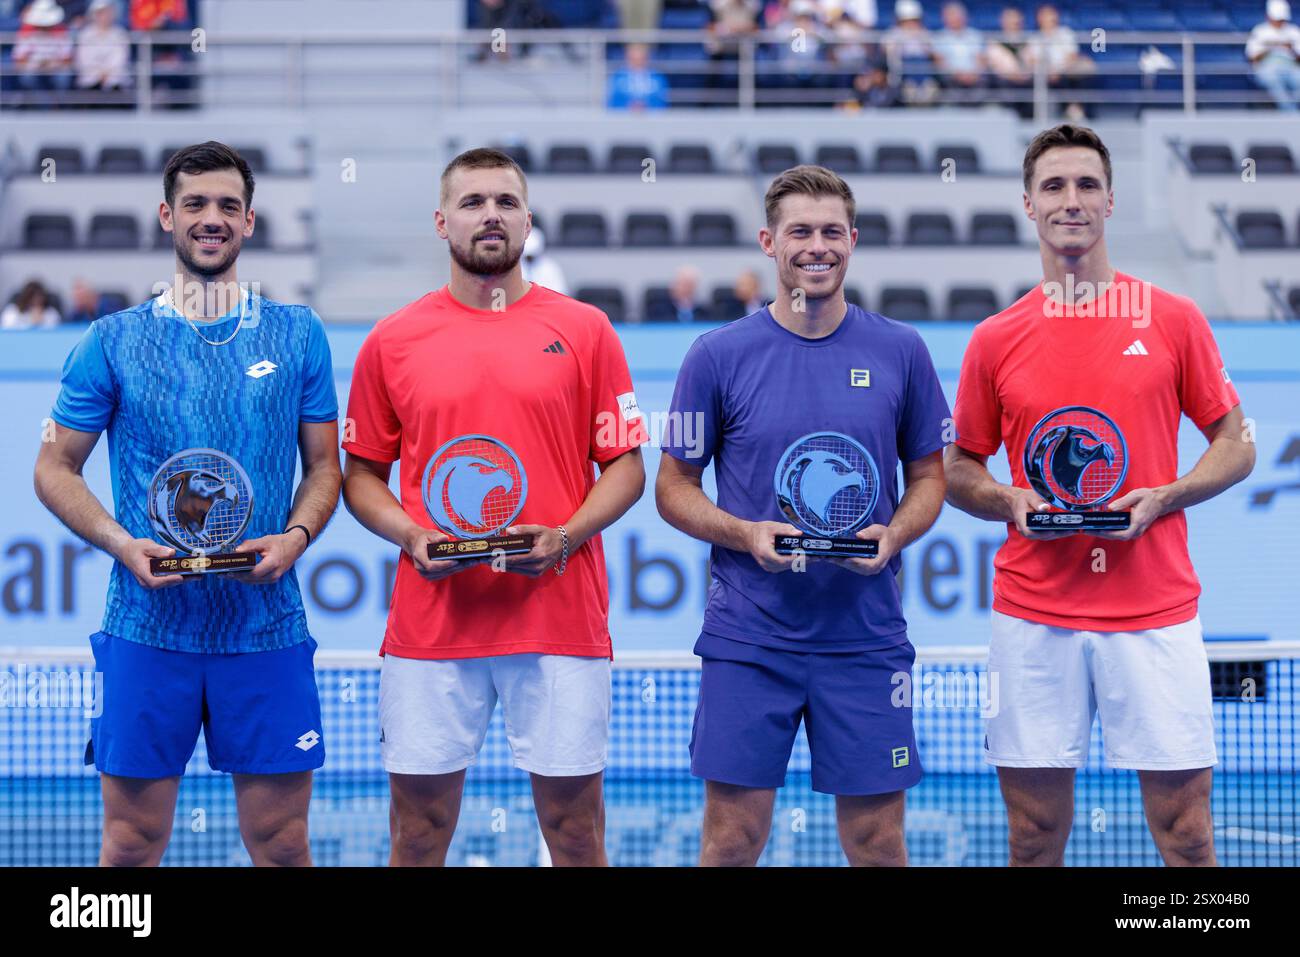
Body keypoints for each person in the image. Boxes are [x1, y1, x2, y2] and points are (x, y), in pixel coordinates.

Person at [944, 125, 1256, 866]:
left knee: (1187, 832)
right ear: (1028, 204)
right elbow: (959, 469)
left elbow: (1238, 444)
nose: (1071, 200)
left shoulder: (1175, 319)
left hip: (1155, 611)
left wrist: (1168, 495)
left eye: (1086, 184)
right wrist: (1010, 500)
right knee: (1033, 836)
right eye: (1054, 186)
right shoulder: (995, 338)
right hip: (1033, 616)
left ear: (1111, 200)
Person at [32, 142, 342, 866]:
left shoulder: (299, 334)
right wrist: (119, 542)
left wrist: (295, 537)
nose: (212, 218)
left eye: (228, 206)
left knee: (282, 843)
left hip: (265, 629)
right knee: (131, 844)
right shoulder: (112, 340)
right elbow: (53, 466)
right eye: (196, 204)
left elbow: (326, 467)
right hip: (146, 628)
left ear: (250, 221)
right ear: (167, 215)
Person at [340, 147, 647, 867]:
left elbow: (627, 468)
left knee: (574, 834)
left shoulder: (586, 329)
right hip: (433, 624)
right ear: (442, 220)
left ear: (528, 221)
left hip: (560, 617)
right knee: (417, 835)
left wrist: (568, 535)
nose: (491, 216)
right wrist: (412, 535)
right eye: (474, 202)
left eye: (506, 202)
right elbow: (360, 476)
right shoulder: (392, 339)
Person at [656, 165, 950, 866]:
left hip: (866, 639)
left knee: (878, 844)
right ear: (768, 241)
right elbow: (673, 488)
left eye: (830, 231)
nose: (815, 247)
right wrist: (744, 532)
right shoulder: (716, 356)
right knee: (731, 840)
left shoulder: (902, 351)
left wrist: (897, 533)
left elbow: (931, 477)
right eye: (799, 231)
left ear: (852, 240)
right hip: (748, 641)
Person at [1024, 4, 1093, 120]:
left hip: (1064, 71)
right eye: (1045, 15)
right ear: (1039, 18)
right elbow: (1033, 61)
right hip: (1043, 75)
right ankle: (1069, 110)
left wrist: (1057, 70)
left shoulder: (1065, 33)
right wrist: (1048, 71)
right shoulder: (1034, 38)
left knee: (1077, 76)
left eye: (1051, 14)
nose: (1049, 18)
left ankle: (1076, 110)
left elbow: (1071, 56)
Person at [13, 0, 74, 108]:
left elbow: (67, 58)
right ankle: (46, 105)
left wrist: (54, 64)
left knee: (64, 76)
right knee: (27, 77)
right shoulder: (27, 34)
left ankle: (58, 105)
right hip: (34, 68)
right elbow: (19, 59)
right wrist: (36, 64)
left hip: (56, 68)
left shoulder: (61, 33)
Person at [1246, 0, 1300, 112]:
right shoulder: (1260, 31)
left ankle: (1292, 113)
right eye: (1277, 19)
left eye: (1282, 20)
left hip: (1291, 66)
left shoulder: (1294, 31)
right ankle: (1291, 115)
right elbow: (1252, 57)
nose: (1280, 22)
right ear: (1269, 16)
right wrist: (1270, 47)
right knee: (1274, 82)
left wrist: (1291, 49)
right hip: (1267, 67)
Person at [75, 0, 131, 105]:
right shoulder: (85, 35)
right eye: (101, 13)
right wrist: (98, 73)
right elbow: (84, 59)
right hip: (91, 77)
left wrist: (107, 73)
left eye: (107, 12)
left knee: (116, 85)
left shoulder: (120, 34)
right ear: (94, 15)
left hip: (114, 77)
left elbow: (121, 58)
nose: (105, 16)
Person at [986, 5, 1032, 117]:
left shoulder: (1030, 39)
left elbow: (1033, 61)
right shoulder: (995, 42)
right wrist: (1012, 75)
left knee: (1037, 86)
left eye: (1016, 19)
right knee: (1002, 86)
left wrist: (1025, 75)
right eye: (1010, 19)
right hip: (1005, 80)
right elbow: (995, 65)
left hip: (1026, 79)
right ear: (1003, 21)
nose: (1014, 22)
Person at [932, 1, 984, 98]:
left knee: (984, 77)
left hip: (973, 75)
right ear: (944, 18)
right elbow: (939, 61)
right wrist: (957, 74)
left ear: (965, 17)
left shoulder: (975, 35)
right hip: (951, 74)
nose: (955, 18)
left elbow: (980, 59)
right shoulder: (939, 37)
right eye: (951, 15)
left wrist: (973, 74)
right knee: (944, 77)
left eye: (958, 15)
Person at [606, 42, 670, 111]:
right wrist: (628, 105)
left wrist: (646, 105)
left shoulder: (657, 77)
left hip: (651, 117)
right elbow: (613, 101)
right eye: (634, 59)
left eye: (641, 59)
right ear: (628, 58)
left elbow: (662, 101)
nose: (637, 62)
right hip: (623, 117)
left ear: (646, 58)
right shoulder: (618, 77)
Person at [521, 226, 569, 294]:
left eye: (533, 256)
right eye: (527, 257)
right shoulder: (513, 268)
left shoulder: (551, 268)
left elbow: (561, 293)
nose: (530, 259)